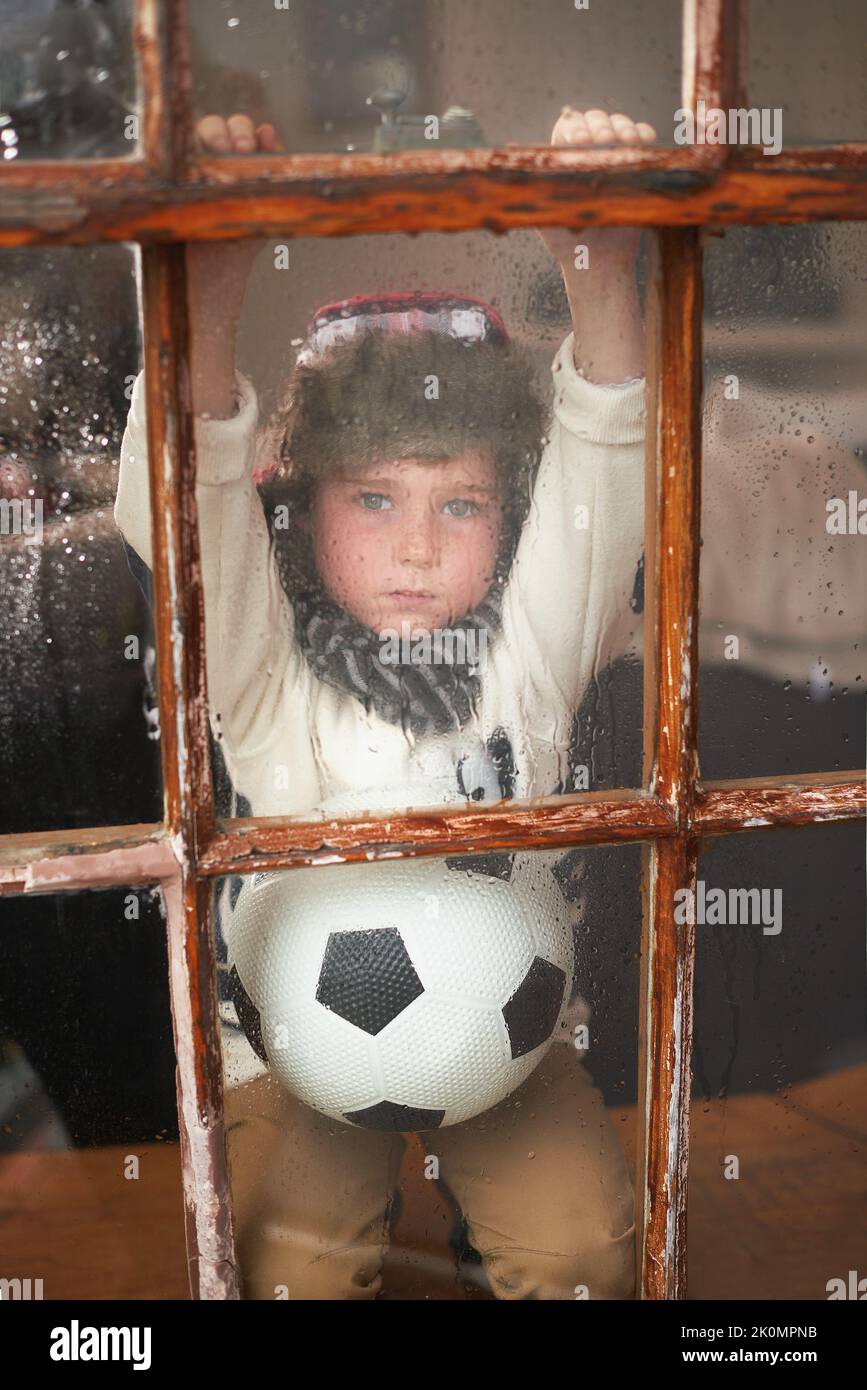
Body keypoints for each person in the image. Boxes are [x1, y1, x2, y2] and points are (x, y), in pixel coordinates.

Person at [115, 106, 654, 1299]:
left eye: (460, 505)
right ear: (305, 511)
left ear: (507, 522)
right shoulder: (264, 668)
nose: (416, 546)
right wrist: (208, 284)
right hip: (296, 1052)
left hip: (513, 1046)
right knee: (281, 1278)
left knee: (586, 1263)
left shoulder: (528, 647)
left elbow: (605, 476)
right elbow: (190, 507)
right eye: (373, 500)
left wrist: (599, 263)